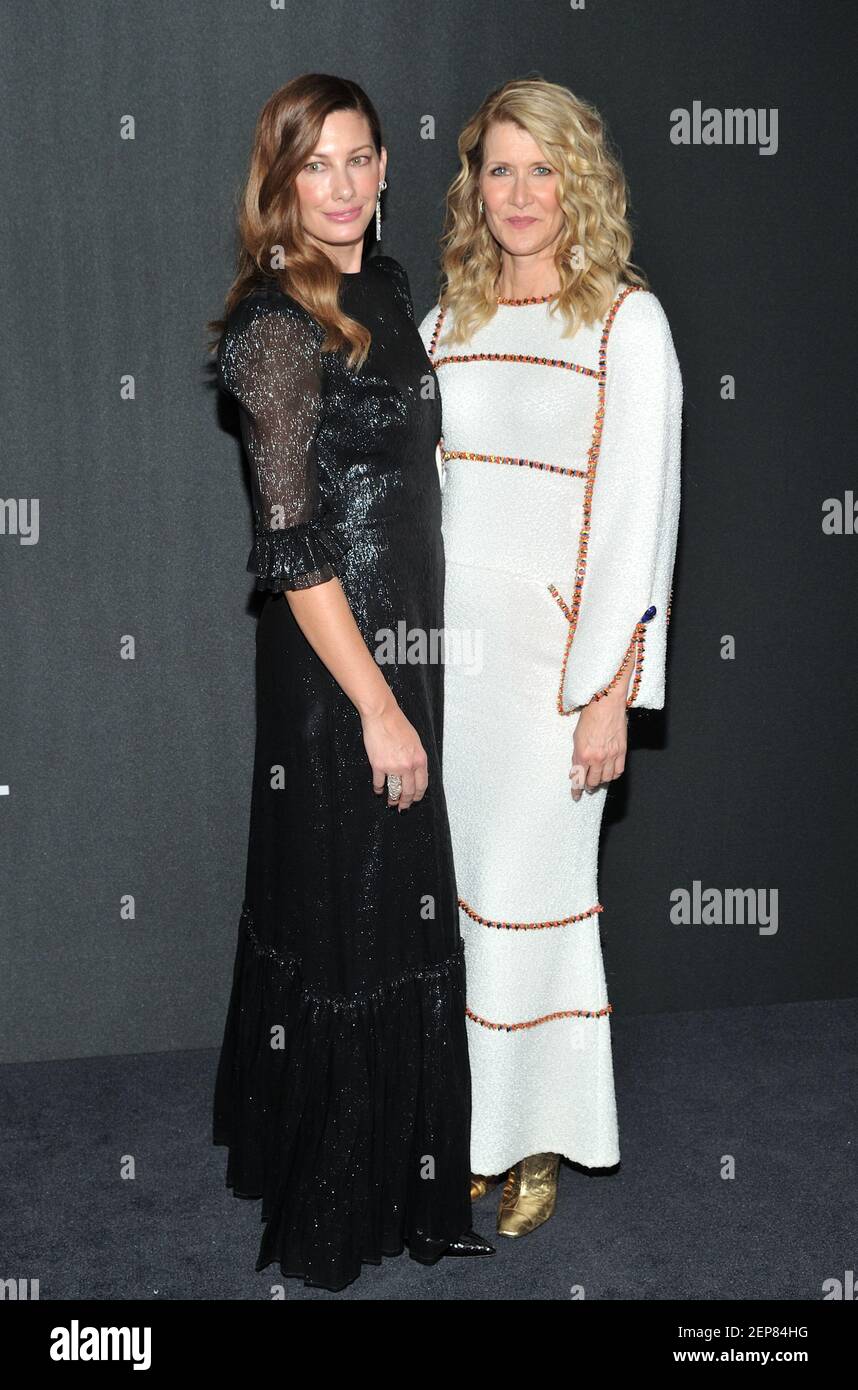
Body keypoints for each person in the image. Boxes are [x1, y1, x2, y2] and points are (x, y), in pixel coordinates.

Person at [209, 73, 493, 1292]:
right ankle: (337, 1199)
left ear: (386, 168)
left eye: (362, 158)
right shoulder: (273, 326)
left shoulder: (389, 287)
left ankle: (397, 1173)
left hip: (410, 643)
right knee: (351, 907)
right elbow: (291, 544)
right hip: (339, 670)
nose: (344, 183)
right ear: (278, 183)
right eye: (316, 164)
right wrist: (377, 704)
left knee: (395, 904)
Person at [417, 77, 682, 1236]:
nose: (519, 192)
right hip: (444, 667)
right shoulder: (448, 319)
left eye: (542, 169)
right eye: (499, 169)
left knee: (538, 904)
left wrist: (609, 694)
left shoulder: (627, 320)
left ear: (582, 182)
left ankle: (536, 1146)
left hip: (552, 673)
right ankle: (470, 1129)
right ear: (473, 185)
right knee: (463, 909)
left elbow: (640, 520)